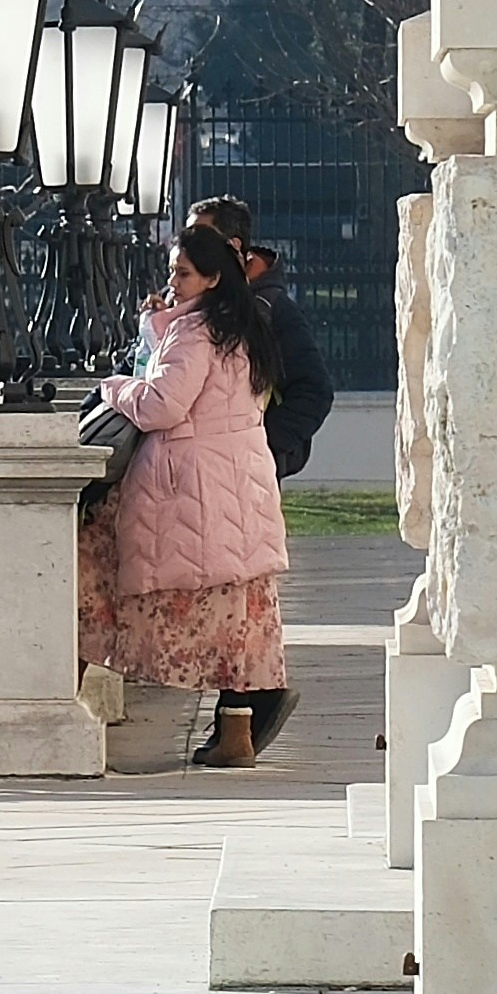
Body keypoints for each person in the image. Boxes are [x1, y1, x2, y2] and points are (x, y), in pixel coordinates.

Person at [85, 195, 305, 769]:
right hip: (243, 482)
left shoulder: (193, 332)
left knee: (96, 578)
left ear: (210, 276)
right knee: (242, 612)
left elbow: (162, 405)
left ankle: (67, 700)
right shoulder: (248, 324)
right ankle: (236, 735)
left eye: (182, 273)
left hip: (190, 487)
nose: (173, 282)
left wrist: (112, 386)